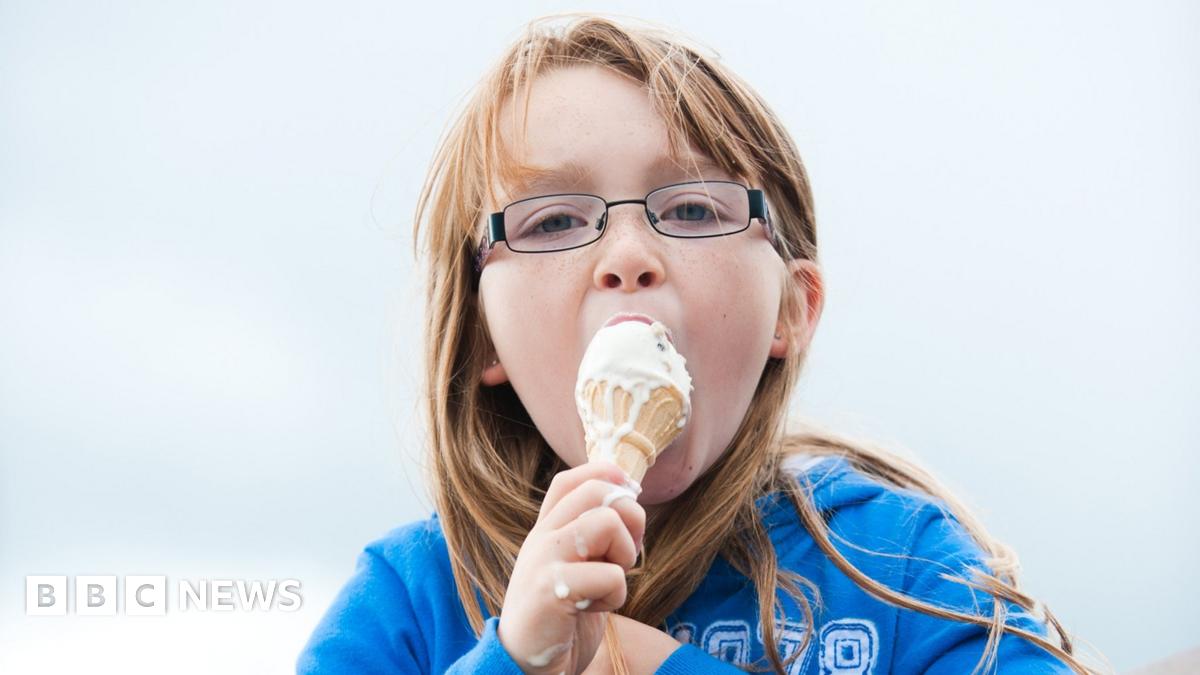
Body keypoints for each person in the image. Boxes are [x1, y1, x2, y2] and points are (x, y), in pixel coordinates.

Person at [297, 12, 1103, 675]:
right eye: (552, 221)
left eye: (690, 210)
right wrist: (509, 662)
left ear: (791, 308)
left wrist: (649, 665)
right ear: (482, 337)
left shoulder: (896, 565)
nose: (626, 257)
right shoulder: (409, 603)